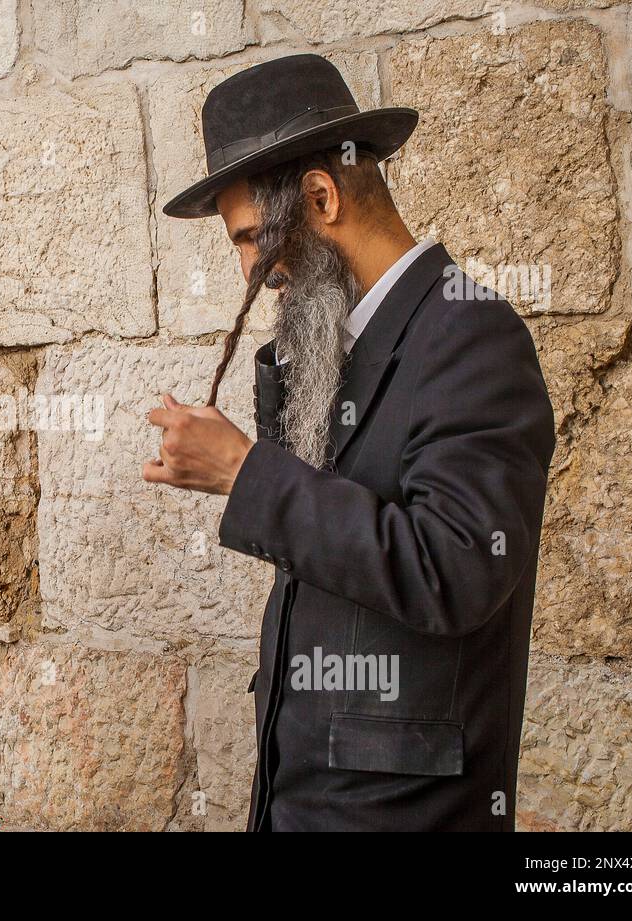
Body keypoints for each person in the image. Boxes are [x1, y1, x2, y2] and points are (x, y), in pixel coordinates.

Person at [144, 55, 555, 830]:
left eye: (249, 239)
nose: (250, 270)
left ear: (321, 196)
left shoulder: (470, 335)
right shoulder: (347, 344)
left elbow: (457, 568)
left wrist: (243, 472)